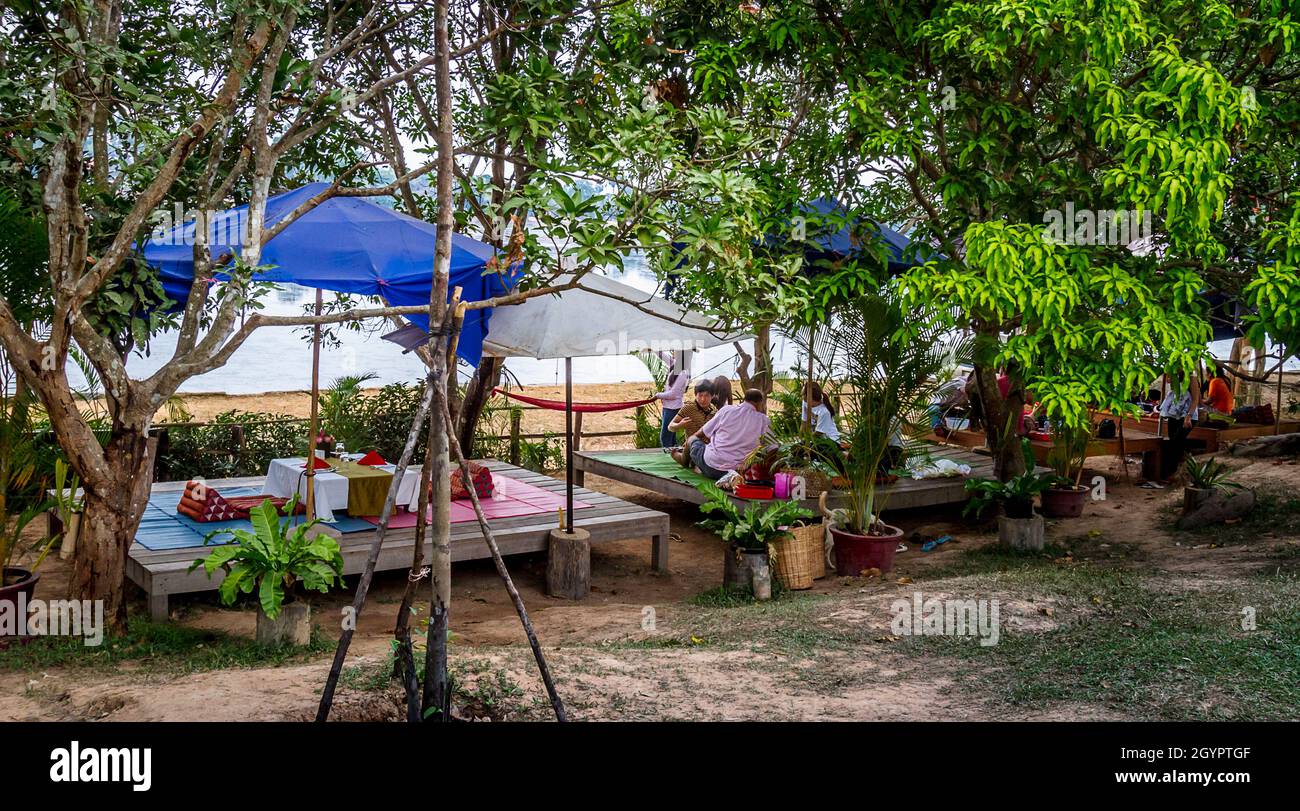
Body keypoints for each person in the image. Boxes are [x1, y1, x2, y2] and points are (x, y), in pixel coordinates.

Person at [687, 388, 774, 480]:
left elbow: (701, 433)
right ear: (760, 403)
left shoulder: (727, 410)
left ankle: (684, 460)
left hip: (710, 466)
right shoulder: (764, 421)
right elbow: (773, 448)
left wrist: (690, 442)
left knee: (693, 439)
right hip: (739, 472)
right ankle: (692, 463)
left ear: (745, 399)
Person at [1153, 372, 1201, 485]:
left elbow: (1195, 399)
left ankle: (1171, 473)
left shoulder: (1191, 375)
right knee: (1172, 442)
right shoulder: (1174, 373)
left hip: (1187, 415)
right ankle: (1168, 474)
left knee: (1176, 442)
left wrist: (1188, 416)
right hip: (1174, 413)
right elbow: (1171, 390)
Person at [669, 380, 717, 466]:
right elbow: (670, 427)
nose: (703, 399)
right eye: (700, 395)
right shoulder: (688, 408)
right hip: (692, 446)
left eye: (707, 396)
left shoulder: (714, 411)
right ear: (695, 395)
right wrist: (680, 425)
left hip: (709, 448)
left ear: (712, 396)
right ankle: (679, 456)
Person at [652, 351, 689, 448]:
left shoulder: (682, 373)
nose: (673, 352)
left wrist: (657, 395)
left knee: (665, 437)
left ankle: (668, 457)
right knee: (671, 437)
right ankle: (675, 455)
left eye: (676, 351)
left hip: (673, 408)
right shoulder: (675, 364)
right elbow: (662, 356)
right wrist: (653, 347)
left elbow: (673, 394)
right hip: (667, 407)